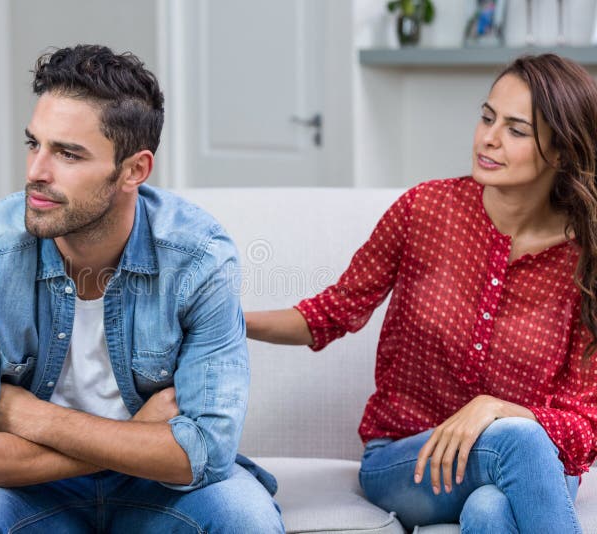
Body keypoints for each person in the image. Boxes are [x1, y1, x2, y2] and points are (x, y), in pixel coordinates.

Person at [0, 44, 284, 533]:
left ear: (134, 170)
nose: (35, 173)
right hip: (23, 489)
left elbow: (206, 455)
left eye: (67, 154)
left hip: (157, 487)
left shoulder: (199, 258)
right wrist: (137, 438)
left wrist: (37, 419)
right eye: (34, 144)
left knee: (246, 517)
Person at [245, 53, 597, 532]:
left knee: (490, 509)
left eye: (516, 129)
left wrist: (494, 409)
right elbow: (331, 313)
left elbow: (583, 426)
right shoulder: (425, 211)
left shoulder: (586, 260)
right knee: (519, 440)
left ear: (560, 152)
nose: (488, 138)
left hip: (529, 462)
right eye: (487, 117)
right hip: (408, 461)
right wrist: (231, 319)